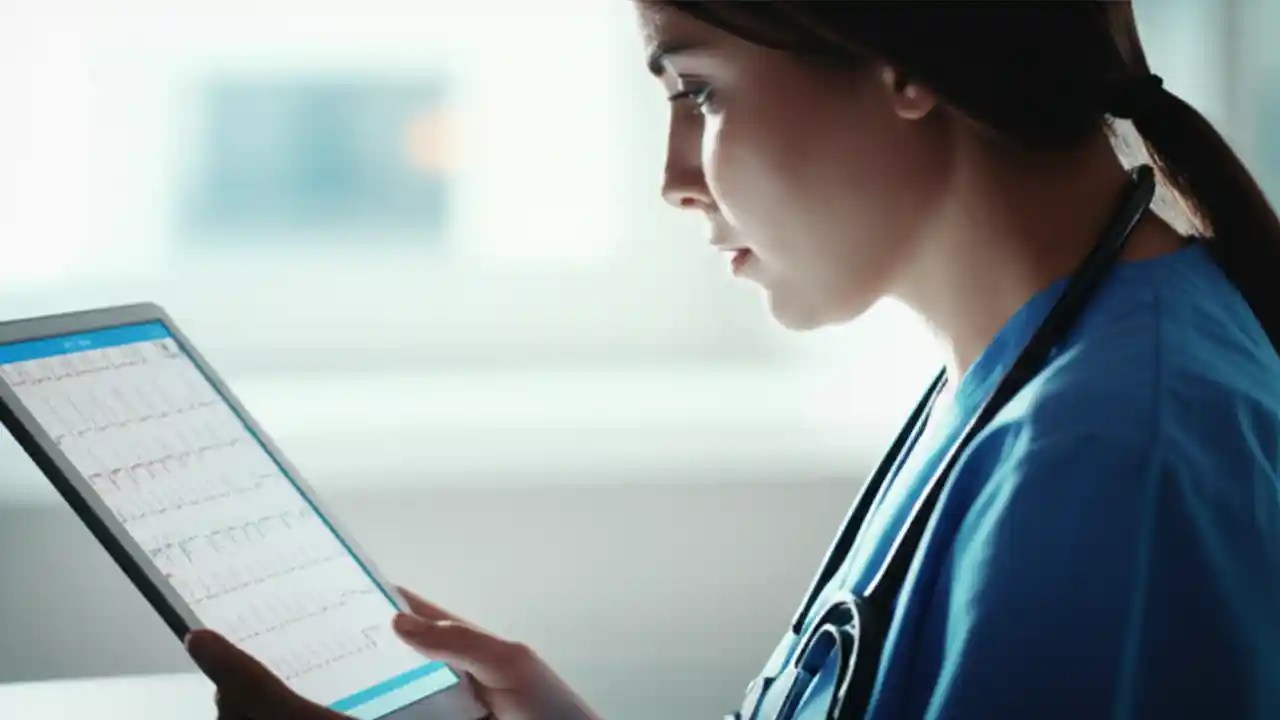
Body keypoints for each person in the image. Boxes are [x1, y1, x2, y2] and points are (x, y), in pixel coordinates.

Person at [184, 2, 1280, 718]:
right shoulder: (1030, 377)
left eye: (698, 91)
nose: (674, 176)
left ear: (902, 62)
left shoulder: (1109, 452)